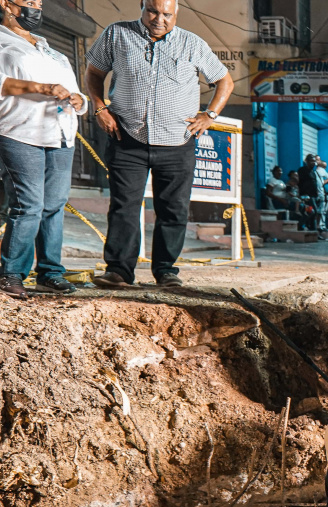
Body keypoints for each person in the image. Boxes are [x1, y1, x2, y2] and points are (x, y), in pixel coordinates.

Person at [83, 0, 233, 289]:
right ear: (142, 7)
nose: (159, 19)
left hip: (177, 141)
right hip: (126, 137)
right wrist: (100, 107)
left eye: (167, 14)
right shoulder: (117, 34)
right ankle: (119, 271)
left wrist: (210, 115)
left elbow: (225, 82)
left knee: (173, 209)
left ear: (176, 13)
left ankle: (166, 271)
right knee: (124, 206)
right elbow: (94, 73)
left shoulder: (193, 44)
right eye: (153, 11)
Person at [0, 0, 89, 298]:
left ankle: (50, 273)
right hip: (20, 132)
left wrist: (80, 101)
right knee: (29, 205)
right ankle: (11, 274)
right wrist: (42, 87)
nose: (35, 8)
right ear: (6, 3)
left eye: (38, 2)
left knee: (54, 206)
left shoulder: (47, 47)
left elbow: (72, 87)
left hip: (61, 135)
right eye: (28, 2)